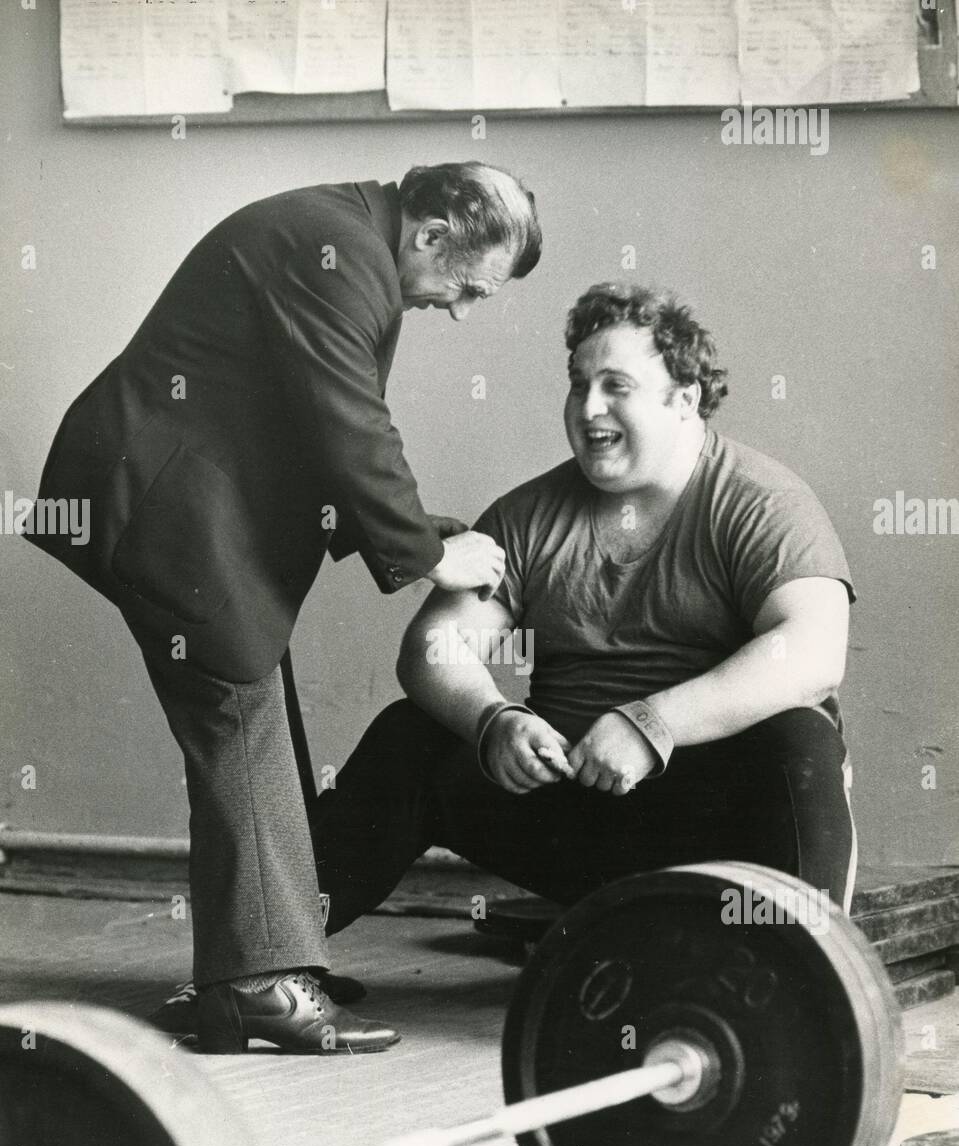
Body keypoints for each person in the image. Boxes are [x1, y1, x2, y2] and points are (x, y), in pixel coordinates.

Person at [23, 162, 541, 1054]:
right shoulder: (336, 246)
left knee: (253, 704)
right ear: (430, 233)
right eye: (464, 287)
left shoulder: (343, 238)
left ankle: (262, 964)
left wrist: (421, 532)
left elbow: (309, 423)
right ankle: (260, 981)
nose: (458, 309)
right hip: (158, 501)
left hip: (184, 499)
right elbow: (346, 424)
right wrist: (424, 555)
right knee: (236, 707)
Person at [308, 283, 858, 939]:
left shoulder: (761, 502)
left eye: (615, 385)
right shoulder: (527, 515)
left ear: (683, 399)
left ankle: (801, 977)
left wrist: (653, 724)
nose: (587, 406)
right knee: (412, 734)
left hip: (716, 834)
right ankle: (270, 962)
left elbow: (812, 651)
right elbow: (433, 646)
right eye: (578, 383)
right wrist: (493, 720)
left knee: (798, 737)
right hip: (575, 818)